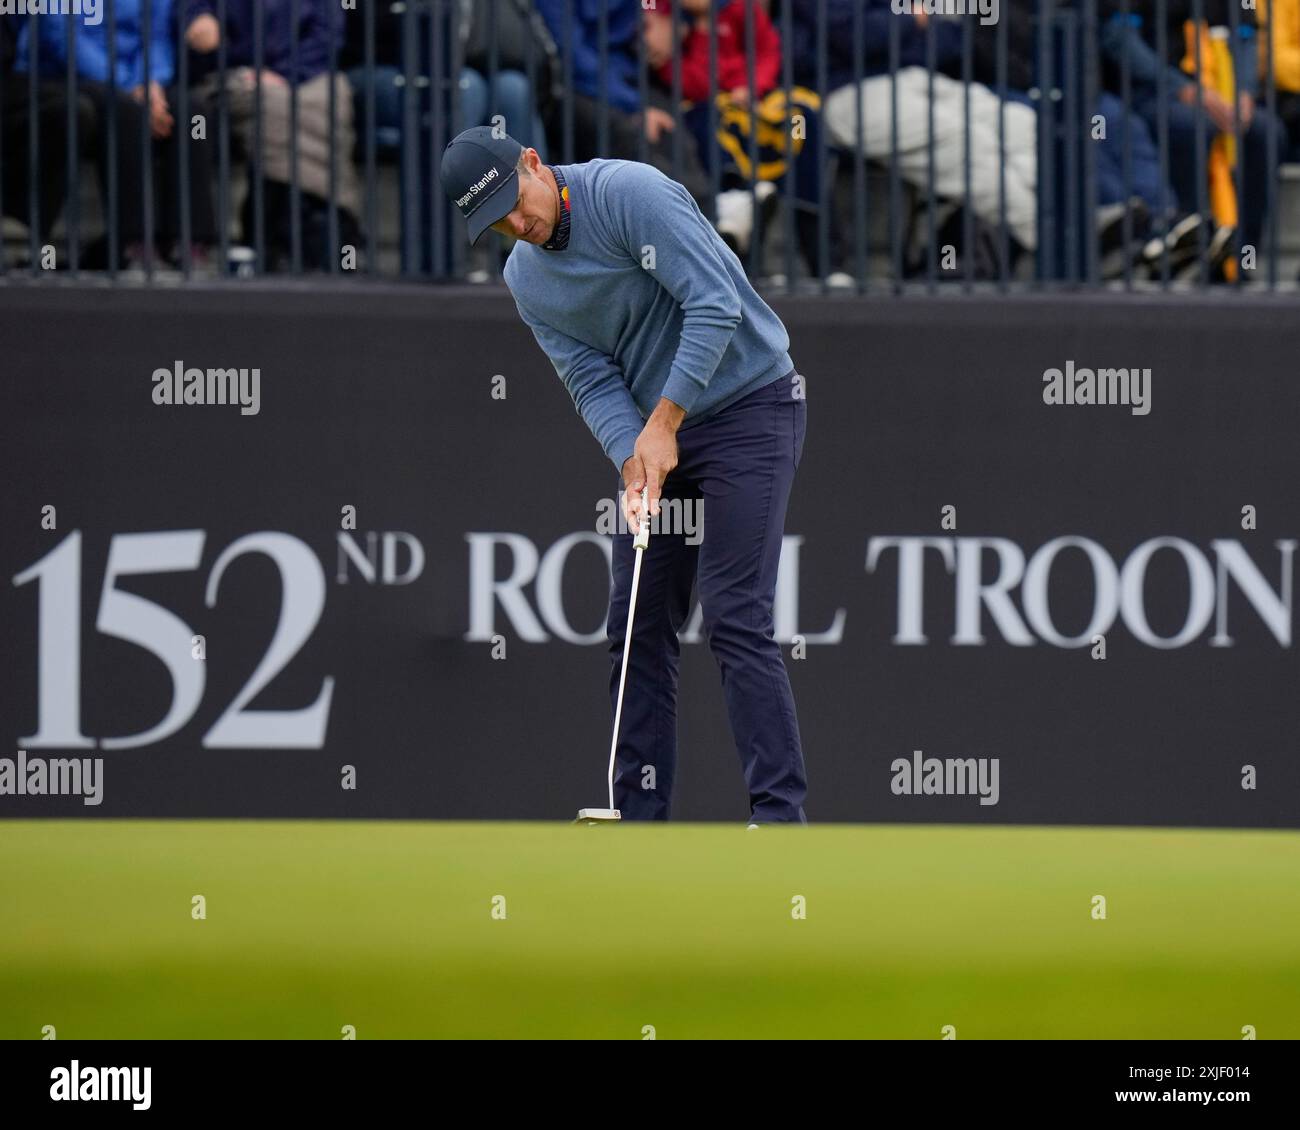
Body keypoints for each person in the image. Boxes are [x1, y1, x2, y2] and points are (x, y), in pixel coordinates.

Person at [439, 126, 809, 824]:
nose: (519, 225)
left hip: (751, 408)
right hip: (660, 433)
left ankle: (778, 818)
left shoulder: (630, 194)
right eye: (498, 225)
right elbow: (588, 375)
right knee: (635, 623)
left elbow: (715, 304)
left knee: (735, 615)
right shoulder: (525, 277)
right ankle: (638, 822)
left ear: (533, 163)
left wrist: (663, 424)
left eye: (517, 202)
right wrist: (632, 458)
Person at [14, 0, 217, 270]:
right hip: (60, 76)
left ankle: (189, 242)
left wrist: (151, 81)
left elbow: (156, 37)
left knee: (194, 113)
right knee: (126, 111)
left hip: (135, 82)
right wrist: (128, 86)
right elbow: (60, 37)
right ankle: (132, 241)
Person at [184, 0, 363, 270]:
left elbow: (327, 35)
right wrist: (198, 23)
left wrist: (285, 73)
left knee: (332, 97)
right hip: (232, 75)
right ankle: (296, 225)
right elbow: (191, 24)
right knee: (276, 106)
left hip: (305, 74)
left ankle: (321, 218)